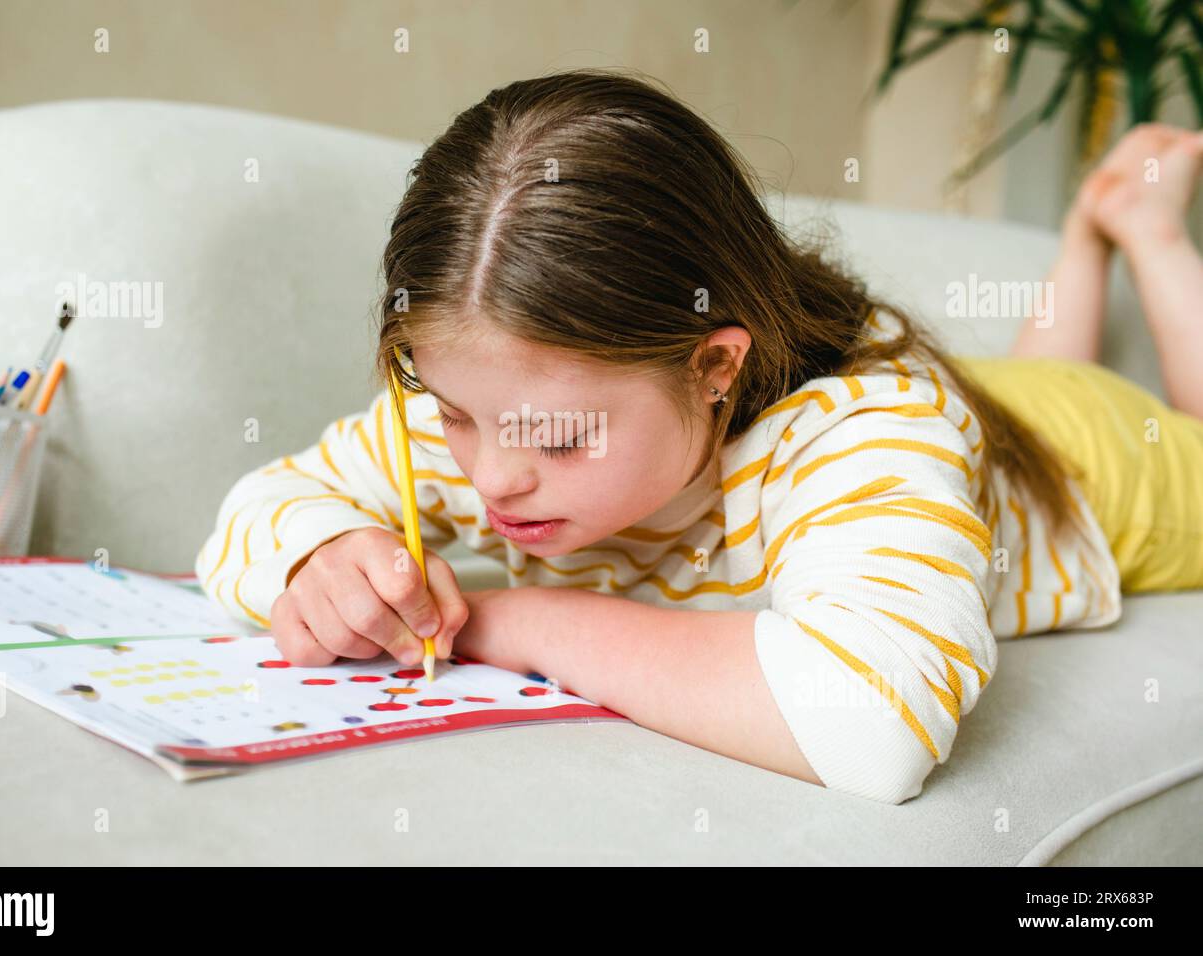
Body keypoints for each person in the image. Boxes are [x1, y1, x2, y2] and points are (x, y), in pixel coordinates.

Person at [195, 71, 1203, 804]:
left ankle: (1149, 235)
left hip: (1108, 464)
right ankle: (1089, 230)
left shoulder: (873, 435)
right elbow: (249, 520)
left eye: (554, 432)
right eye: (453, 411)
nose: (491, 475)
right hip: (991, 408)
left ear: (714, 366)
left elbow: (873, 727)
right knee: (1016, 388)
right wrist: (319, 555)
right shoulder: (479, 406)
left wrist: (508, 618)